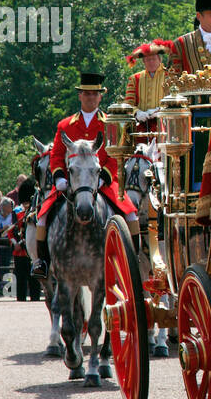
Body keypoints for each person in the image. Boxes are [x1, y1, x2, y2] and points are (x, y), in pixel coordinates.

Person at [28, 72, 141, 278]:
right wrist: (60, 176)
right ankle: (42, 263)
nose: (91, 97)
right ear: (80, 95)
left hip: (104, 180)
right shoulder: (65, 125)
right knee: (42, 215)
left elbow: (118, 156)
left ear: (100, 97)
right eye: (87, 94)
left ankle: (132, 261)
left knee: (131, 213)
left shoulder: (112, 123)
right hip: (71, 182)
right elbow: (56, 155)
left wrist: (103, 177)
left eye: (94, 94)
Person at [125, 40, 170, 124]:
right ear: (143, 62)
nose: (151, 62)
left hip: (165, 122)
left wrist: (160, 110)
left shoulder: (170, 76)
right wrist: (137, 112)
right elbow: (128, 104)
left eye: (153, 59)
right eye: (148, 60)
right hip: (141, 124)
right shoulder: (135, 78)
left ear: (159, 60)